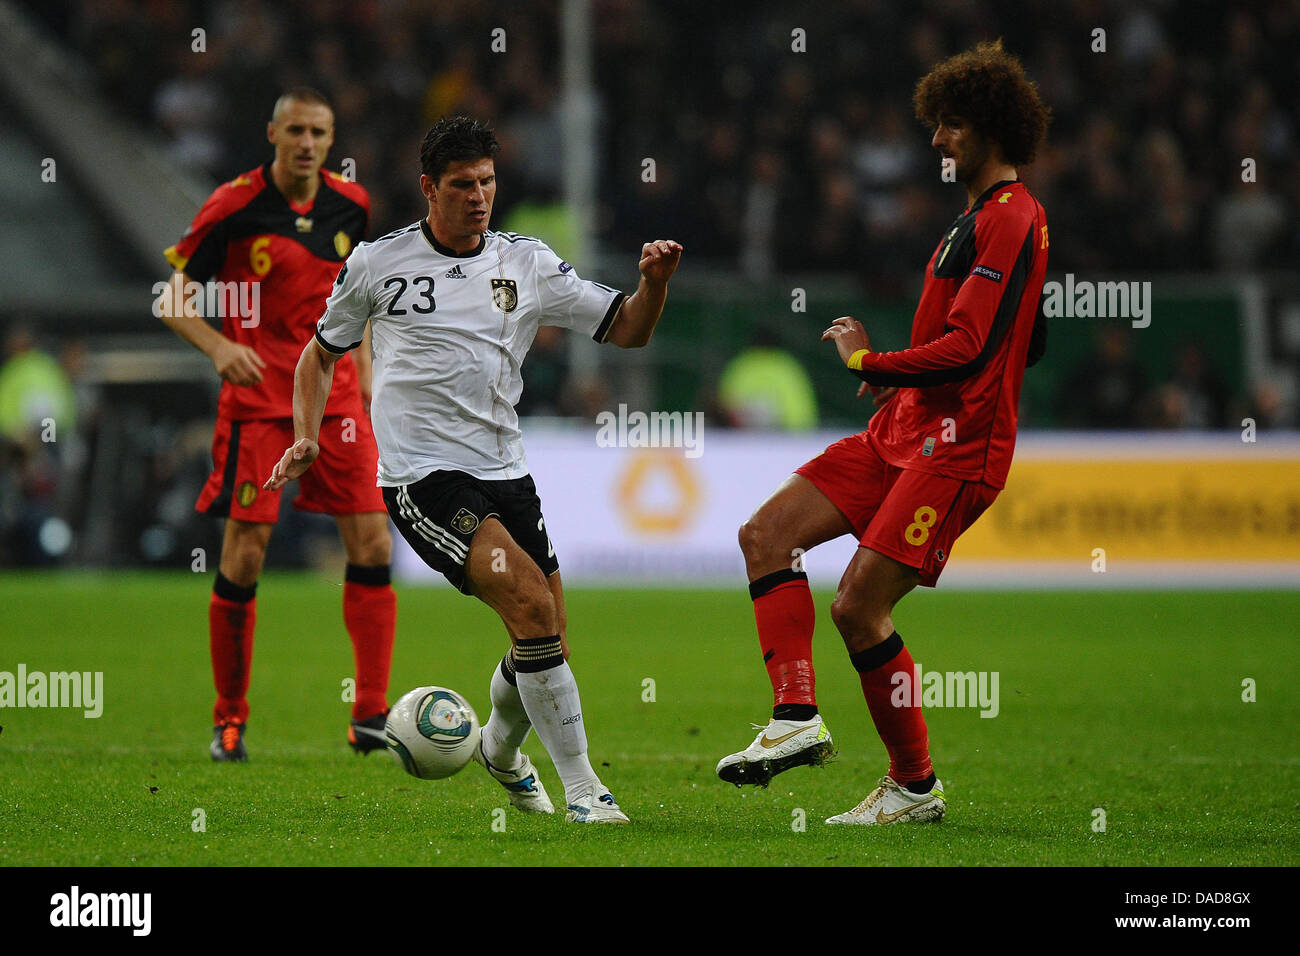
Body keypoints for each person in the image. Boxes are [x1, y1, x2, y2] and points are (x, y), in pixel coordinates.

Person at [266, 116, 682, 824]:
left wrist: (655, 284)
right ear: (430, 188)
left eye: (488, 182)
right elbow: (319, 353)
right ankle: (585, 790)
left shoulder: (527, 262)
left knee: (545, 629)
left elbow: (631, 330)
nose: (479, 197)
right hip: (422, 477)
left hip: (507, 471)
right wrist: (306, 436)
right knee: (529, 605)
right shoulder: (377, 263)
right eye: (463, 185)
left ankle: (496, 749)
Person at [716, 40, 1050, 825]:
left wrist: (870, 356)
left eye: (952, 125)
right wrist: (896, 374)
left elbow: (973, 346)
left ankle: (915, 785)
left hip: (959, 446)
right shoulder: (973, 220)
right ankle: (795, 720)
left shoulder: (1014, 218)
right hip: (900, 428)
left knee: (859, 607)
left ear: (993, 130)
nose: (936, 141)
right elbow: (1017, 338)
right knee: (765, 535)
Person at [160, 88, 397, 762]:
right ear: (272, 133)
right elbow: (172, 297)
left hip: (339, 397)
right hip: (261, 399)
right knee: (244, 553)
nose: (307, 142)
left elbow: (362, 298)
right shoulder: (233, 204)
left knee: (373, 542)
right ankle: (229, 719)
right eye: (295, 129)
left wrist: (371, 376)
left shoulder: (351, 204)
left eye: (319, 131)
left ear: (331, 138)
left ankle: (371, 715)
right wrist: (217, 346)